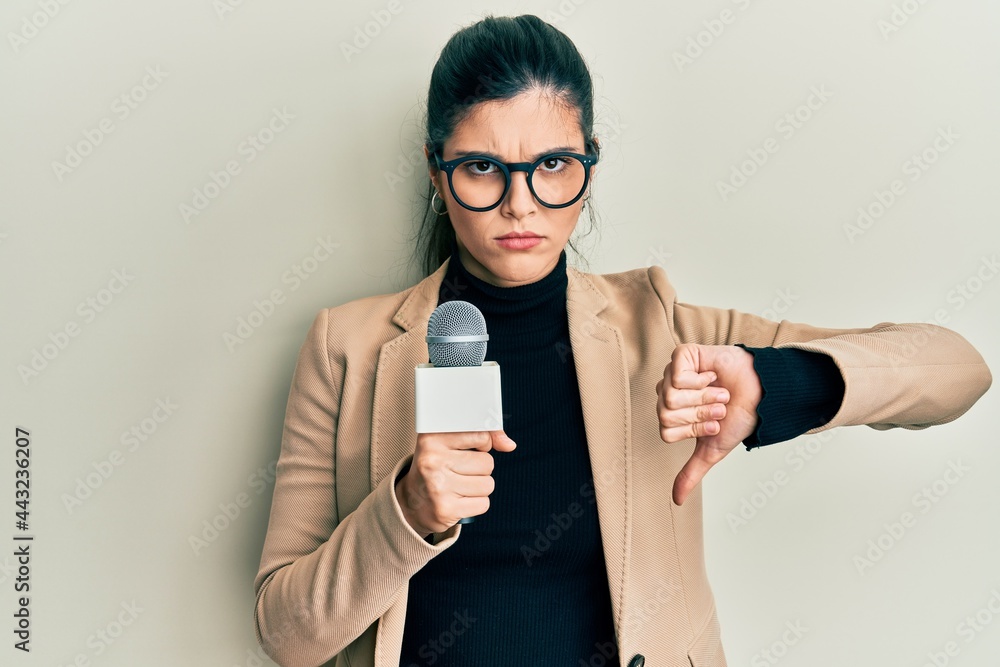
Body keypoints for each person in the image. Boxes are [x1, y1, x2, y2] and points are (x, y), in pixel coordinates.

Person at [252, 14, 992, 667]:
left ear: (589, 161)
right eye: (482, 167)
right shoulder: (347, 348)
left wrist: (776, 381)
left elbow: (957, 370)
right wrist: (406, 511)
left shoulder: (664, 331)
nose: (520, 203)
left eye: (552, 166)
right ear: (436, 171)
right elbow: (288, 635)